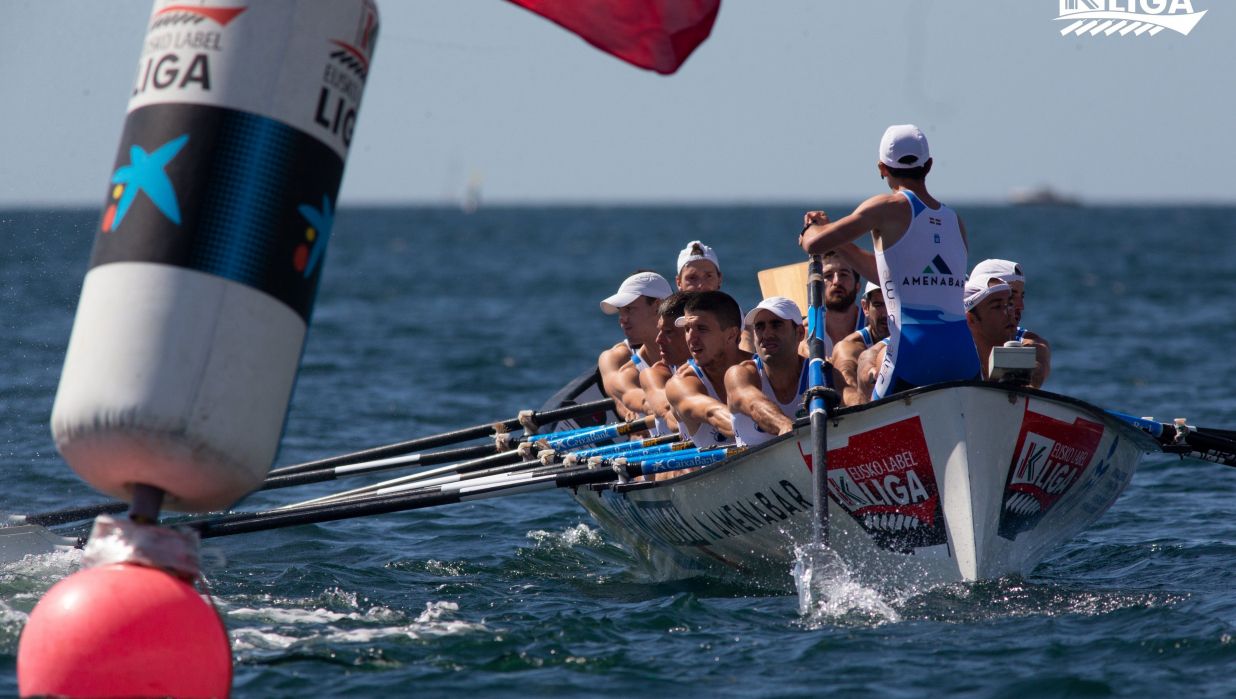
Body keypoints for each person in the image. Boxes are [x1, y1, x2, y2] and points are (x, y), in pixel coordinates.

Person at [800, 124, 980, 399]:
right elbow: (883, 275)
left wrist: (811, 229)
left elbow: (814, 244)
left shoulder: (886, 207)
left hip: (912, 353)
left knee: (866, 412)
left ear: (882, 168)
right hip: (964, 354)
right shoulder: (955, 221)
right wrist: (841, 243)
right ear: (929, 165)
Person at [727, 297, 848, 447]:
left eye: (776, 325)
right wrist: (786, 427)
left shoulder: (820, 373)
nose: (767, 334)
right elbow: (754, 405)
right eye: (759, 327)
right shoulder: (740, 374)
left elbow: (852, 399)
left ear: (799, 333)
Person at [665, 291, 751, 449]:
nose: (691, 338)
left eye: (701, 329)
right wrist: (776, 425)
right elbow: (713, 414)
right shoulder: (681, 383)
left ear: (731, 335)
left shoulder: (759, 368)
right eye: (687, 329)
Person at [597, 271, 672, 421]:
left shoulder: (700, 351)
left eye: (629, 309)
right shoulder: (627, 373)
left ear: (657, 306)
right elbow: (629, 400)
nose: (622, 320)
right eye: (621, 311)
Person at [968, 258, 1052, 387]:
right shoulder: (957, 342)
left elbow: (1039, 361)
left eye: (1021, 296)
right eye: (1011, 296)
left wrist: (1027, 374)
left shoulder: (1030, 341)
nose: (1021, 306)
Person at [639, 291, 694, 438]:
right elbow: (671, 418)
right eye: (660, 331)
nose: (658, 340)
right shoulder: (654, 374)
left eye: (668, 332)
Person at [830, 282, 889, 406]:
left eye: (890, 304)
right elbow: (846, 384)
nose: (886, 314)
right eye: (878, 305)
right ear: (865, 307)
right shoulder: (847, 347)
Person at [964, 279, 1017, 379]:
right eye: (997, 306)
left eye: (1010, 304)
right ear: (971, 319)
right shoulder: (957, 368)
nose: (1009, 312)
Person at [820, 250, 867, 352]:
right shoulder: (805, 334)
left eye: (844, 274)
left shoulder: (875, 329)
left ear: (858, 286)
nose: (836, 281)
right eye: (828, 276)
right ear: (817, 287)